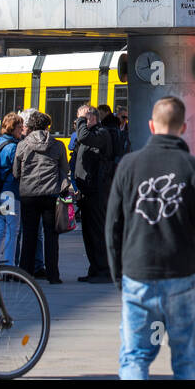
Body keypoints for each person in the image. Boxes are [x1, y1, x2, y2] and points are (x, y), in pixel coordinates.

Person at [107, 96, 195, 380]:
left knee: (135, 356)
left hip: (137, 273)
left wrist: (118, 275)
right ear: (183, 127)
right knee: (184, 358)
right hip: (181, 274)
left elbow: (113, 225)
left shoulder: (128, 166)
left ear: (151, 126)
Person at [13, 110, 69, 284]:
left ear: (31, 126)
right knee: (51, 235)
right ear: (47, 126)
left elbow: (16, 172)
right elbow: (65, 169)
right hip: (50, 195)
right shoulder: (58, 145)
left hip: (28, 195)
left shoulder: (22, 145)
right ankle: (53, 275)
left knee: (29, 235)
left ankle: (25, 274)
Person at [69, 103, 115, 283]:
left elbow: (83, 136)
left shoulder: (101, 134)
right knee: (88, 233)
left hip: (98, 190)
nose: (78, 122)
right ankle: (95, 268)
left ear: (92, 117)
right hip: (87, 191)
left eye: (82, 118)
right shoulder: (90, 135)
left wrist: (82, 119)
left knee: (97, 231)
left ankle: (104, 270)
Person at [0, 112, 23, 265]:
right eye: (19, 128)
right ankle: (9, 263)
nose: (21, 131)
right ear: (12, 128)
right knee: (12, 228)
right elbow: (17, 171)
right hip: (10, 191)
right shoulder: (13, 147)